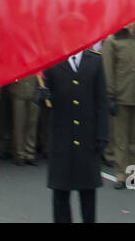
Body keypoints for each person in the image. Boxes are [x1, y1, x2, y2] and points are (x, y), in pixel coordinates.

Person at [34, 41, 109, 222]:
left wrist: (102, 135)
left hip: (87, 137)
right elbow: (41, 96)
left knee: (88, 194)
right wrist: (41, 96)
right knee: (61, 194)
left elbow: (101, 101)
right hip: (62, 138)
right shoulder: (52, 62)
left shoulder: (95, 61)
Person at [103, 24, 135, 189]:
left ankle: (133, 176)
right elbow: (108, 70)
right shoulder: (113, 41)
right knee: (121, 140)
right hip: (121, 97)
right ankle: (120, 176)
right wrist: (110, 96)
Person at [7, 74, 40, 165]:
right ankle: (19, 154)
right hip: (19, 90)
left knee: (32, 123)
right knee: (19, 124)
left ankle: (30, 153)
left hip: (35, 90)